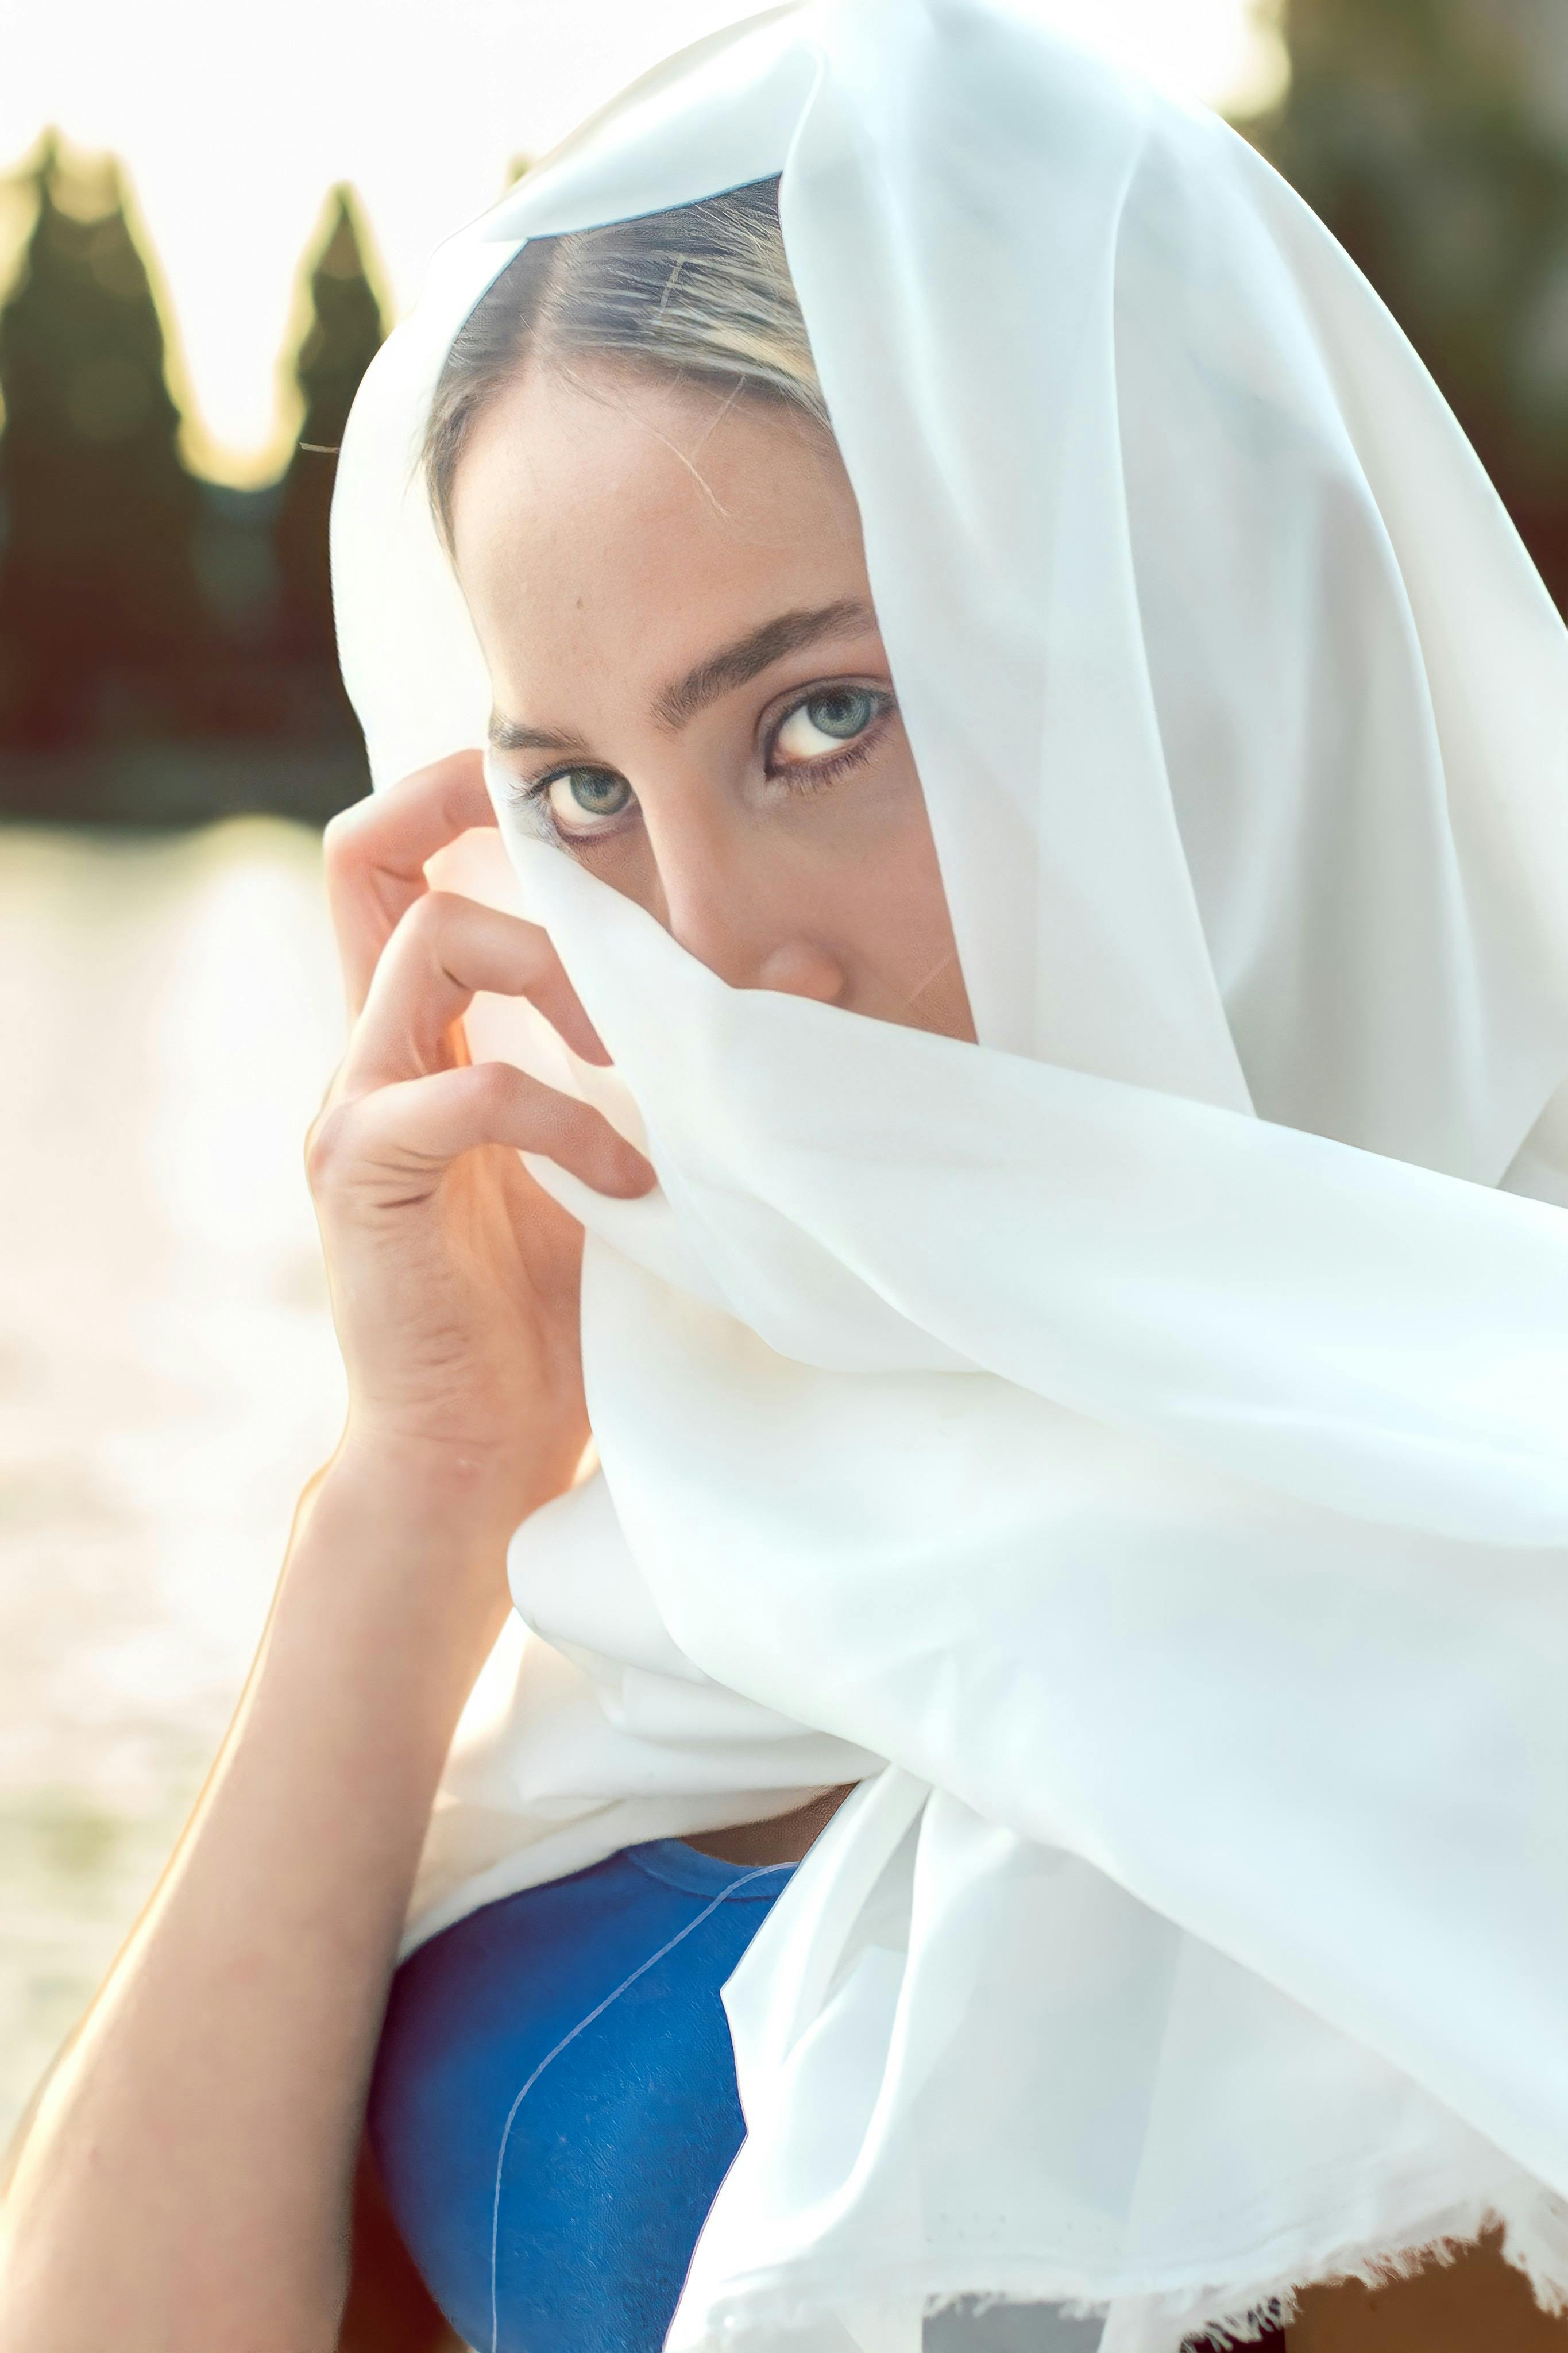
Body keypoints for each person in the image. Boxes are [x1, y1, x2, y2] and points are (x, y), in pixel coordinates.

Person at [5, 5, 1568, 2351]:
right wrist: (414, 1486)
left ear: (1192, 674)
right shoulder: (685, 1544)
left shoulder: (1486, 1576)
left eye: (820, 719)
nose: (720, 956)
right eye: (584, 798)